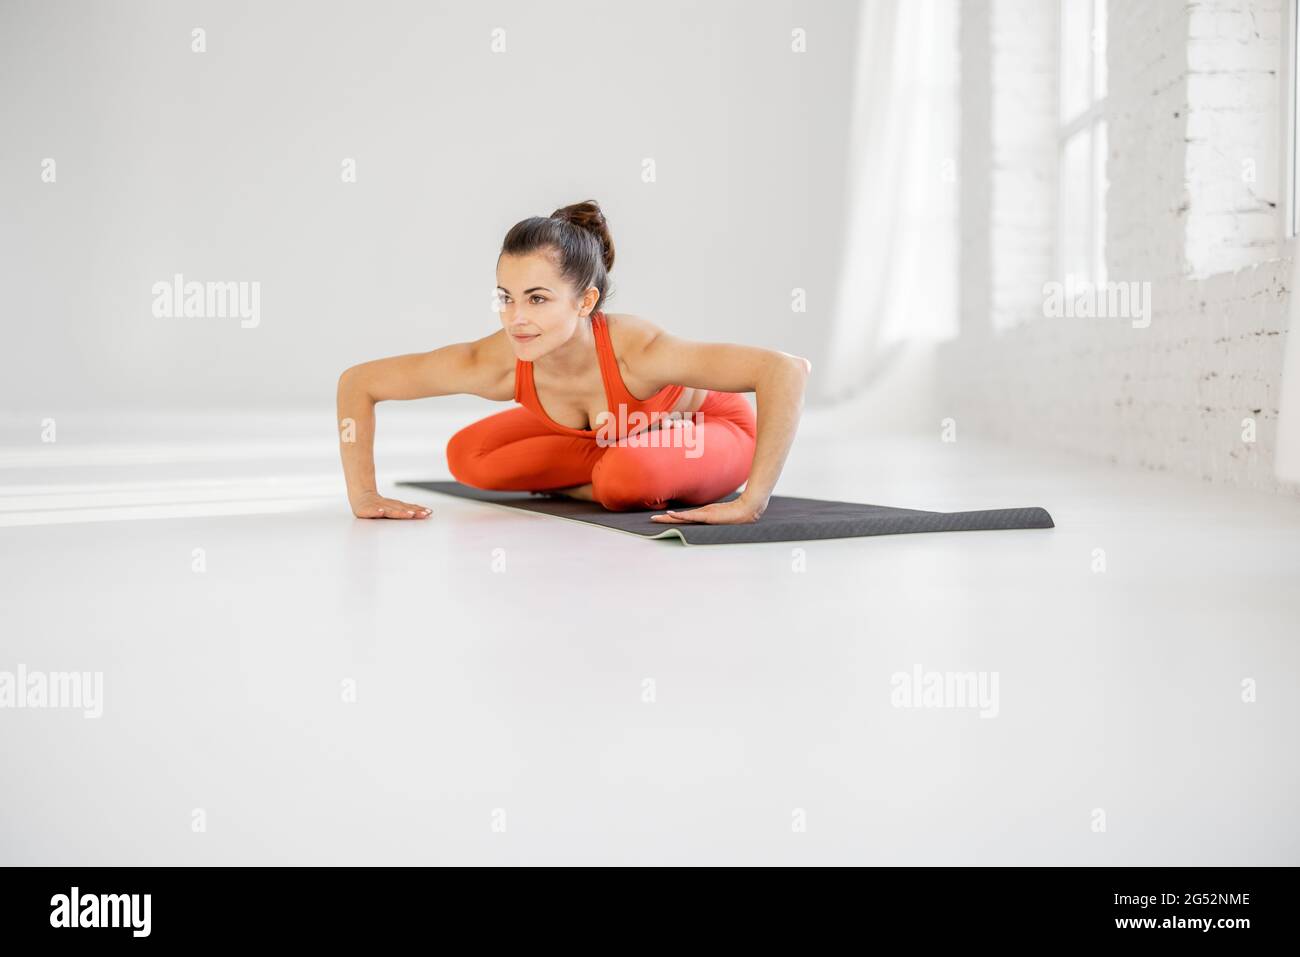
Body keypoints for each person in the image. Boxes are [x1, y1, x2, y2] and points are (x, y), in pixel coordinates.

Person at [336, 200, 811, 525]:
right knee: (468, 455)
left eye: (538, 299)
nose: (516, 319)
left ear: (585, 301)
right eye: (507, 297)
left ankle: (622, 473)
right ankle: (609, 475)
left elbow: (785, 370)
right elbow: (359, 383)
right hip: (612, 435)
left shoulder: (639, 352)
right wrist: (364, 496)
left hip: (709, 426)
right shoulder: (495, 361)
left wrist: (752, 501)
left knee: (626, 476)